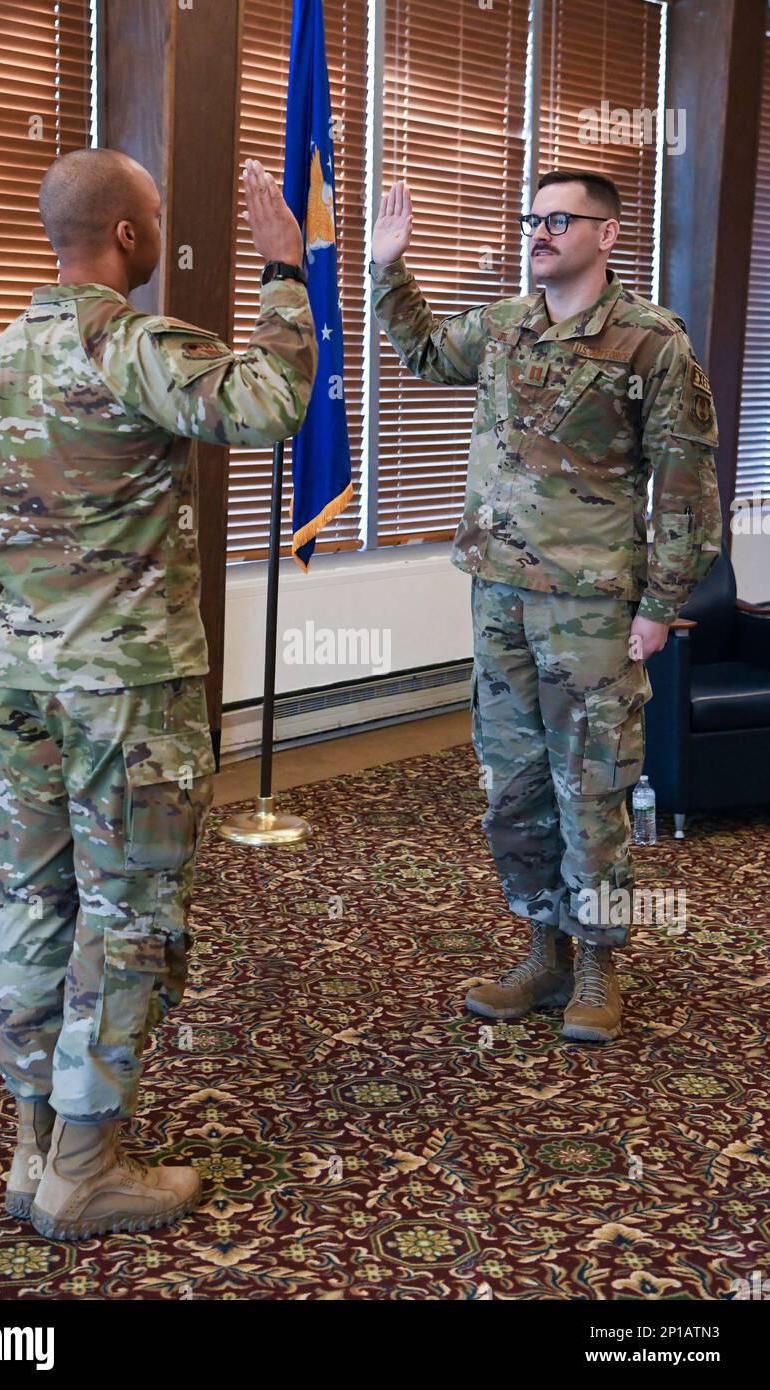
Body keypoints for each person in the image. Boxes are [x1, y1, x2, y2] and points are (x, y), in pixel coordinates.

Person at [0, 148, 316, 1239]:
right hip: (129, 701)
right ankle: (88, 1165)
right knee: (130, 915)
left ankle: (33, 1148)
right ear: (129, 238)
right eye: (154, 216)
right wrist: (284, 273)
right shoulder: (131, 346)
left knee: (36, 902)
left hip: (29, 690)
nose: (158, 232)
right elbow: (272, 403)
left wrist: (23, 660)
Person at [369, 170, 721, 1044]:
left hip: (591, 606)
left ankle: (597, 957)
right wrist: (387, 267)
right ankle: (541, 950)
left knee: (591, 787)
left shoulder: (651, 345)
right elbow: (418, 352)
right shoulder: (501, 326)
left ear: (606, 235)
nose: (539, 231)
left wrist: (660, 603)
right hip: (498, 596)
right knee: (513, 785)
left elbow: (683, 486)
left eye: (559, 219)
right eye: (533, 218)